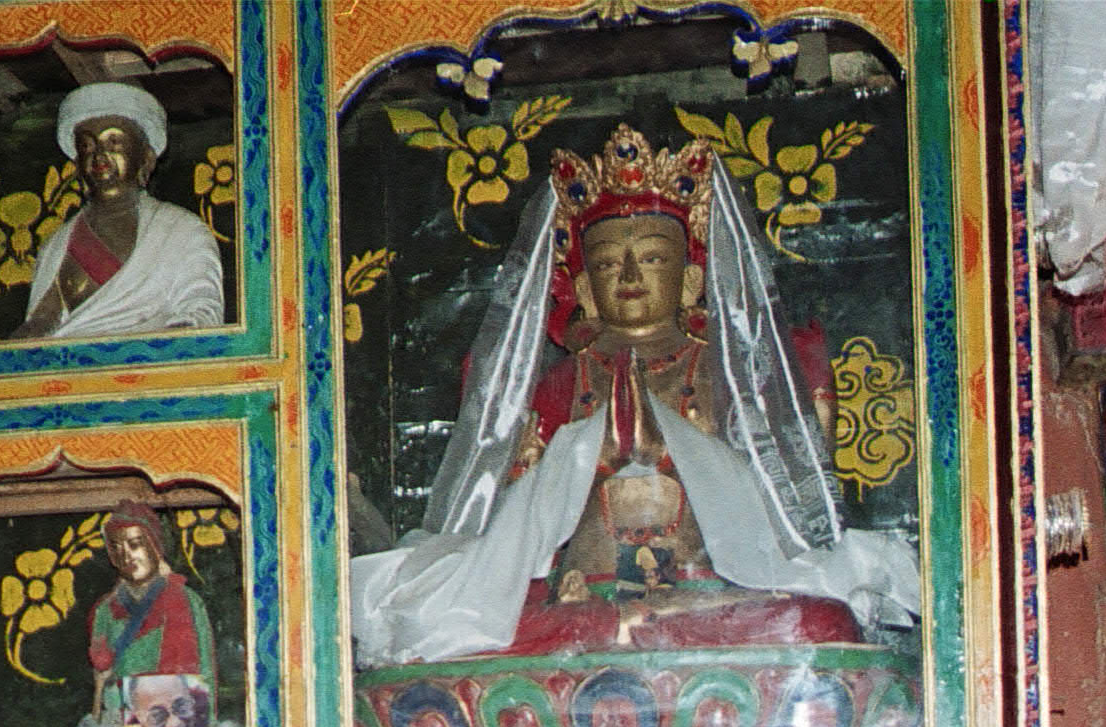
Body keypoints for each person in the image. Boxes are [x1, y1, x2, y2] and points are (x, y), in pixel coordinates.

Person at [348, 124, 917, 668]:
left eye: (652, 258)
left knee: (820, 623)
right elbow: (508, 536)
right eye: (605, 263)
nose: (628, 275)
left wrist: (685, 450)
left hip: (711, 593)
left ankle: (640, 627)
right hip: (583, 597)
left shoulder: (728, 376)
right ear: (585, 288)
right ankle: (623, 628)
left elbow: (784, 520)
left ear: (691, 280)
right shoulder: (558, 386)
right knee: (459, 636)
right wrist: (577, 457)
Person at [13, 84, 226, 341]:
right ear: (77, 164)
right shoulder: (55, 246)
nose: (99, 156)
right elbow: (41, 322)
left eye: (113, 142)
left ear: (145, 158)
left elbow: (201, 313)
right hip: (67, 361)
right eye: (87, 146)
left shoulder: (181, 230)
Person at [57, 505, 219, 727]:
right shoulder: (105, 609)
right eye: (116, 548)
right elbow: (103, 677)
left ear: (155, 546)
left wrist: (204, 725)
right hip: (127, 725)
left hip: (177, 724)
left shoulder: (187, 601)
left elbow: (205, 673)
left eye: (135, 544)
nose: (126, 556)